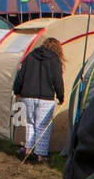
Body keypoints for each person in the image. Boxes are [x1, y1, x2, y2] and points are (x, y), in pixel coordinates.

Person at [12, 35, 65, 163]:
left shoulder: (30, 56)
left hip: (27, 96)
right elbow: (58, 81)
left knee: (30, 124)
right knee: (43, 126)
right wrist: (61, 96)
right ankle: (41, 155)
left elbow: (20, 76)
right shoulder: (54, 60)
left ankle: (28, 149)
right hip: (46, 98)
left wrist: (17, 91)